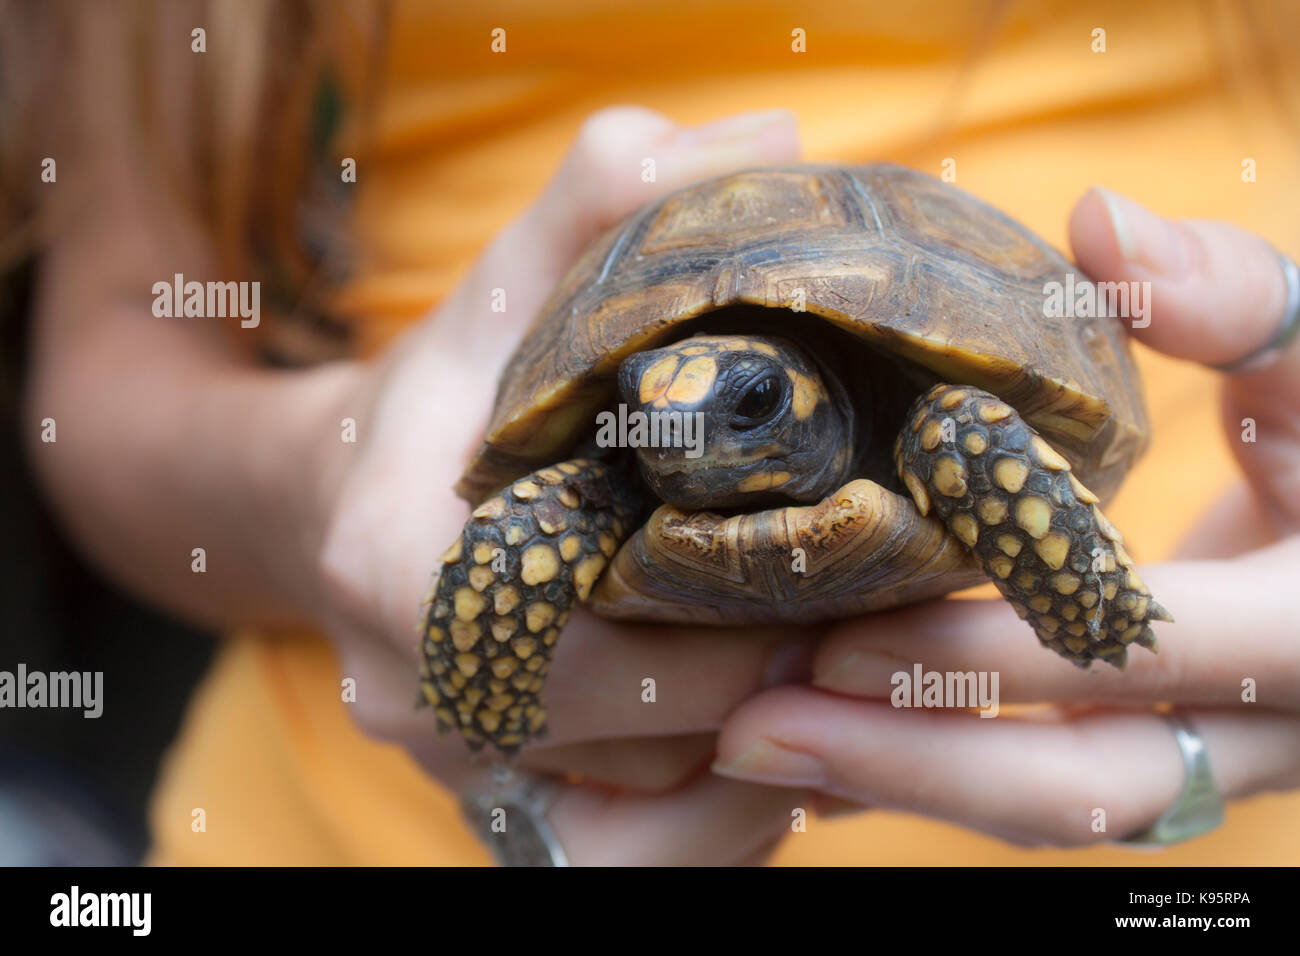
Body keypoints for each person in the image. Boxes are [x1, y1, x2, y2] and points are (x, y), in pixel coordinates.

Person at [9, 1, 1299, 865]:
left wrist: (1124, 633)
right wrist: (325, 491)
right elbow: (109, 369)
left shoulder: (944, 420)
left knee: (965, 428)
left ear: (812, 397)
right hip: (380, 822)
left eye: (741, 409)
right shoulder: (608, 476)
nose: (677, 442)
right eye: (643, 416)